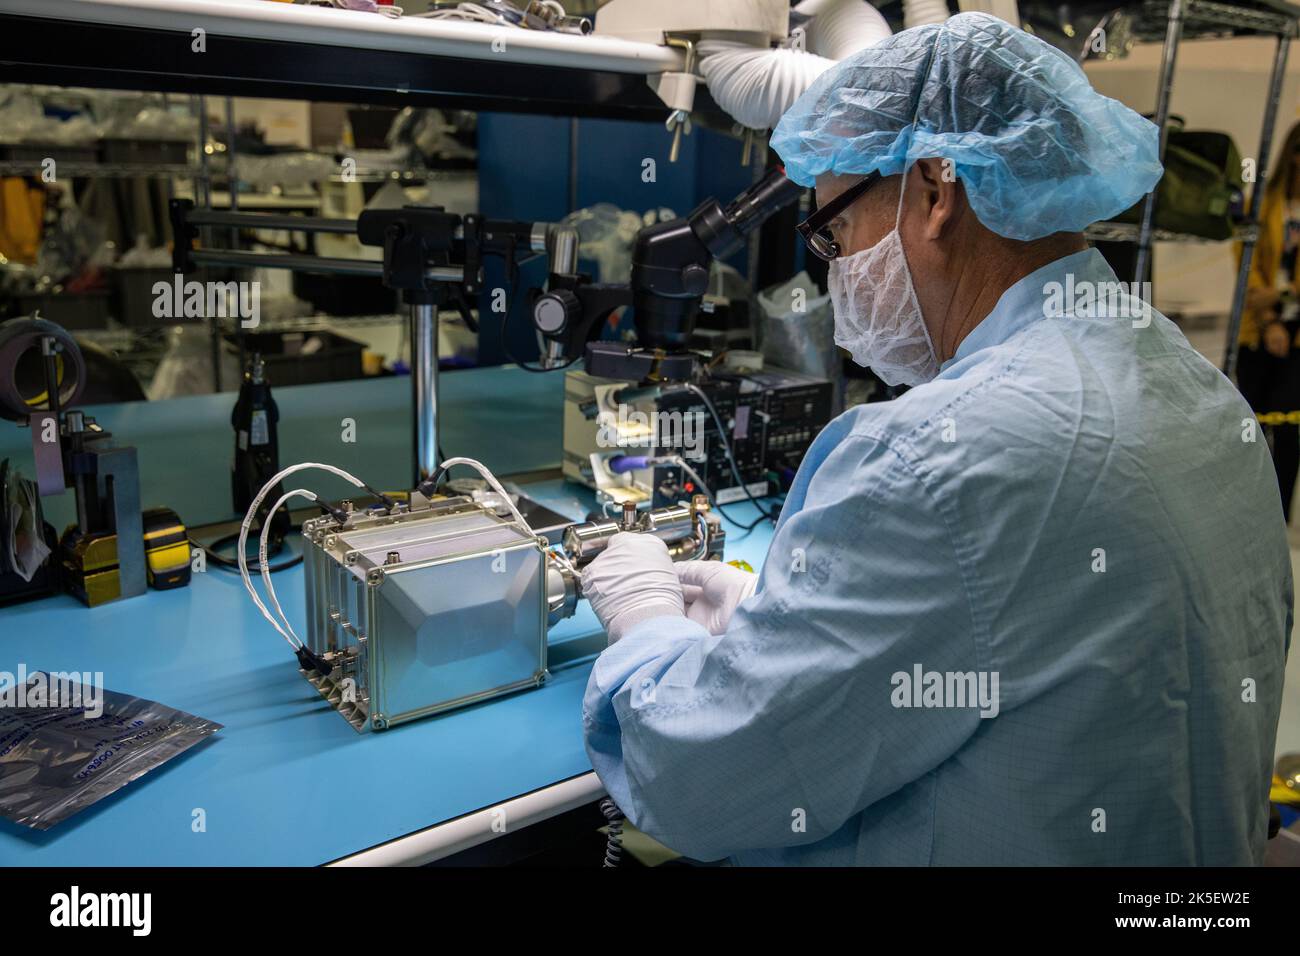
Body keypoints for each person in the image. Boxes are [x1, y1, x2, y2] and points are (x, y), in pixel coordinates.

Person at [578, 13, 1292, 865]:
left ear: (934, 192)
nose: (836, 270)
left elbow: (699, 780)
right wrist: (779, 631)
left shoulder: (937, 457)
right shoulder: (1204, 395)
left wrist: (649, 625)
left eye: (834, 232)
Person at [1239, 120, 1300, 520]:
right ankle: (1253, 511)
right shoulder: (1260, 203)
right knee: (1254, 426)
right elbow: (1246, 269)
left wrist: (1282, 295)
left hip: (1297, 332)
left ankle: (1278, 514)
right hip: (1257, 329)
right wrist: (1268, 319)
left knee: (1291, 426)